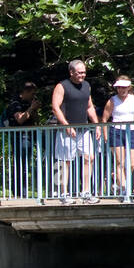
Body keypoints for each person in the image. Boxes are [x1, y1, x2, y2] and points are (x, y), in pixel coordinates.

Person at [49, 60, 99, 204]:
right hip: (67, 132)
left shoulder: (86, 85)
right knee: (65, 162)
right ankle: (63, 193)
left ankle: (86, 192)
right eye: (79, 72)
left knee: (89, 158)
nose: (82, 75)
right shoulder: (62, 86)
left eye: (84, 72)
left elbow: (89, 106)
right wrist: (66, 125)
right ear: (71, 72)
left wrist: (97, 125)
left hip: (83, 130)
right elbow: (55, 107)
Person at [1, 82, 41, 198]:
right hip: (19, 137)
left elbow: (35, 120)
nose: (33, 96)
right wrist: (31, 108)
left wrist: (34, 110)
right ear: (24, 92)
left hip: (29, 137)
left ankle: (23, 191)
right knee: (20, 164)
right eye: (32, 93)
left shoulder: (28, 104)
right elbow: (20, 119)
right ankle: (19, 191)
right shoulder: (15, 104)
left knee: (25, 164)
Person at [102, 77, 134, 198]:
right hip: (116, 130)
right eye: (119, 87)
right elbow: (104, 119)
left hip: (131, 131)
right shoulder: (112, 100)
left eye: (124, 87)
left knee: (132, 163)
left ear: (129, 87)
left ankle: (119, 182)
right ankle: (124, 189)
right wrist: (106, 135)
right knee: (120, 161)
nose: (121, 90)